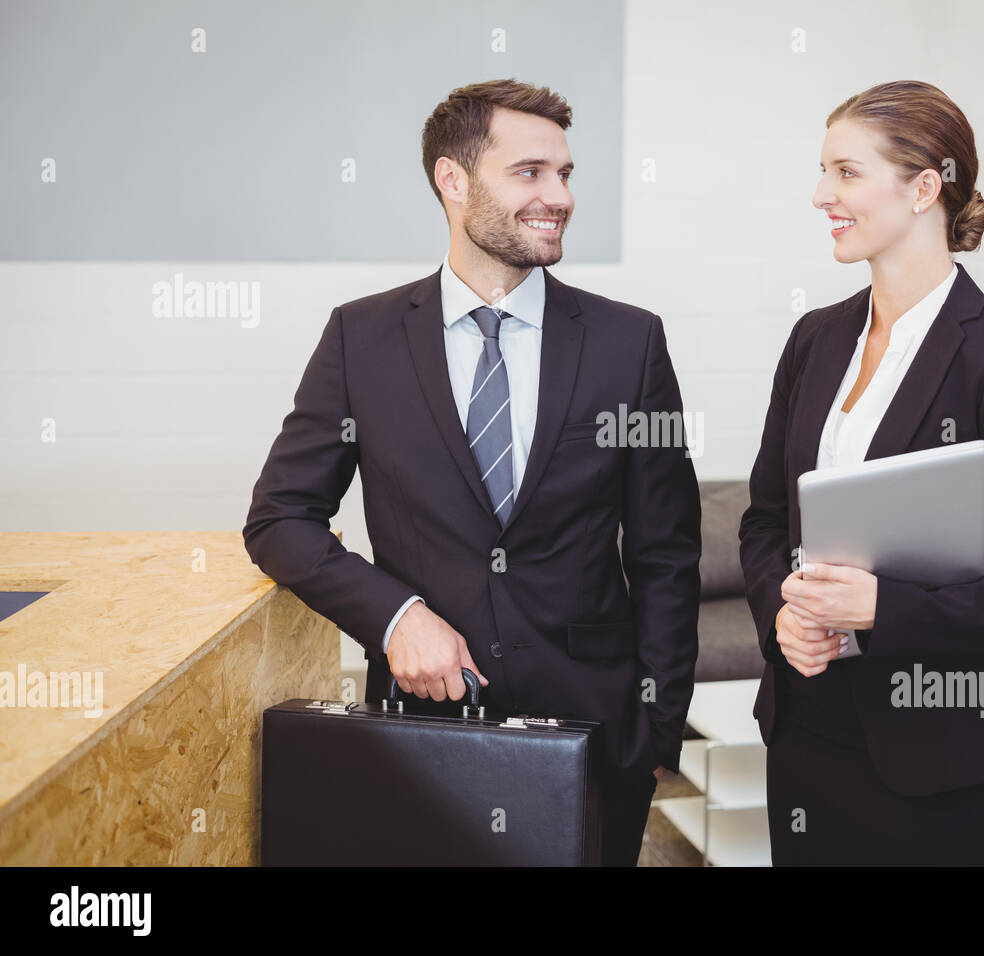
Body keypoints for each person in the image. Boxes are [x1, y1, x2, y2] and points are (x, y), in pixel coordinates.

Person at [243, 79, 701, 867]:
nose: (558, 196)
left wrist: (655, 731)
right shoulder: (362, 338)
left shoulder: (631, 343)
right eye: (530, 173)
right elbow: (280, 517)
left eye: (564, 174)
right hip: (428, 734)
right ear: (451, 181)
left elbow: (666, 553)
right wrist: (396, 618)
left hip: (597, 736)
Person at [738, 80, 984, 866]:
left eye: (847, 173)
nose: (823, 194)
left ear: (925, 187)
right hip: (803, 724)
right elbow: (762, 522)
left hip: (930, 748)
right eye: (825, 171)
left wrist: (882, 610)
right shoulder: (815, 340)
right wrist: (779, 614)